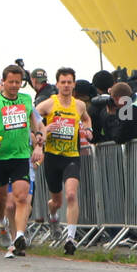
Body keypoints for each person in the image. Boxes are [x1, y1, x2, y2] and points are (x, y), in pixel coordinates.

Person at [0, 63, 45, 258]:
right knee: (0, 200)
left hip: (21, 156)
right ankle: (2, 223)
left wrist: (37, 135)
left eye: (18, 82)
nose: (14, 85)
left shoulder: (26, 99)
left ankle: (19, 236)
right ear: (3, 82)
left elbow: (34, 120)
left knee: (21, 198)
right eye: (10, 82)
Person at [36, 67, 92, 255]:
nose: (66, 85)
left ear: (74, 84)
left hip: (71, 157)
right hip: (52, 157)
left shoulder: (79, 105)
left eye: (69, 82)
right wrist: (44, 129)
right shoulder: (49, 104)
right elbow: (33, 118)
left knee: (70, 195)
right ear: (57, 84)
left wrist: (88, 129)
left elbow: (86, 118)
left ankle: (70, 238)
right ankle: (53, 216)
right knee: (57, 201)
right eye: (63, 82)